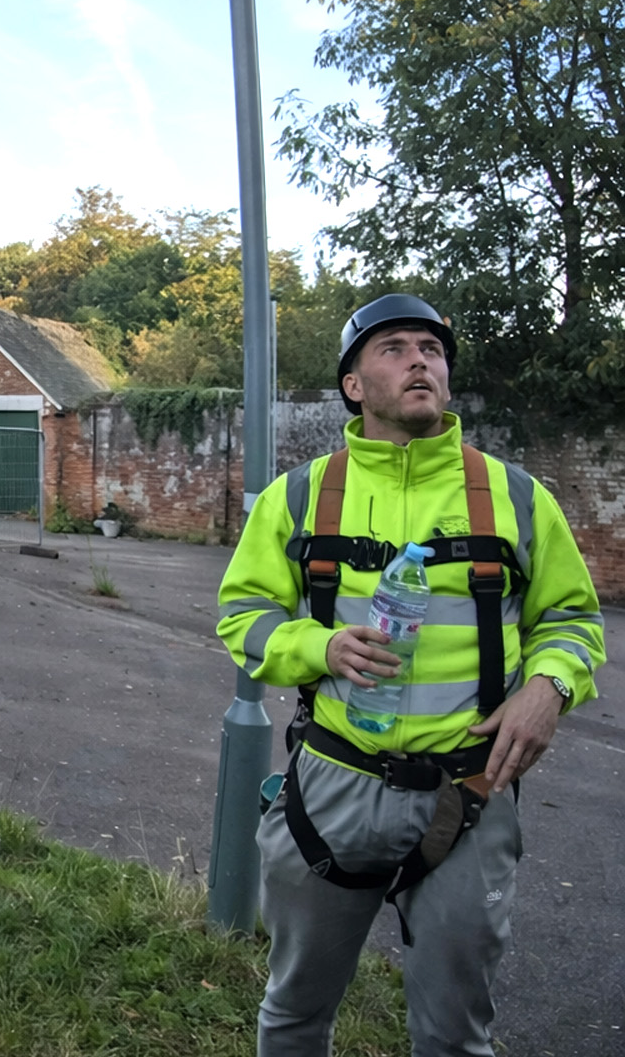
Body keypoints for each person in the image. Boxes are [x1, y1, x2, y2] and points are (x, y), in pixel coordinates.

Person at [217, 293, 606, 1056]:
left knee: (456, 1034)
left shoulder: (517, 497)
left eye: (431, 349)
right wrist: (318, 648)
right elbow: (243, 617)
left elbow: (573, 621)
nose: (420, 360)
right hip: (330, 784)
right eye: (394, 347)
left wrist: (550, 686)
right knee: (294, 1012)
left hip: (469, 793)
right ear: (354, 385)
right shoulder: (300, 496)